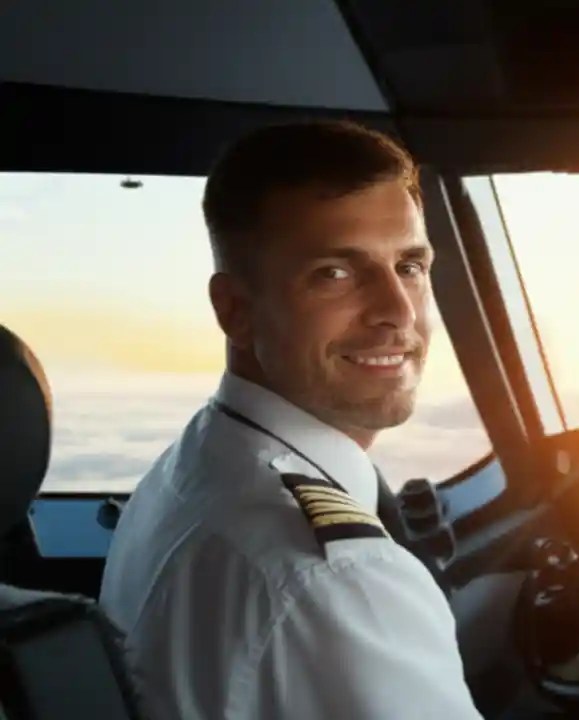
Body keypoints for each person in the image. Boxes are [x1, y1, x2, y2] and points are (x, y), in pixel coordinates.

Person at [99, 120, 482, 719]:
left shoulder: (194, 463)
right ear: (236, 310)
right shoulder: (339, 579)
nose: (397, 311)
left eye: (410, 266)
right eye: (335, 273)